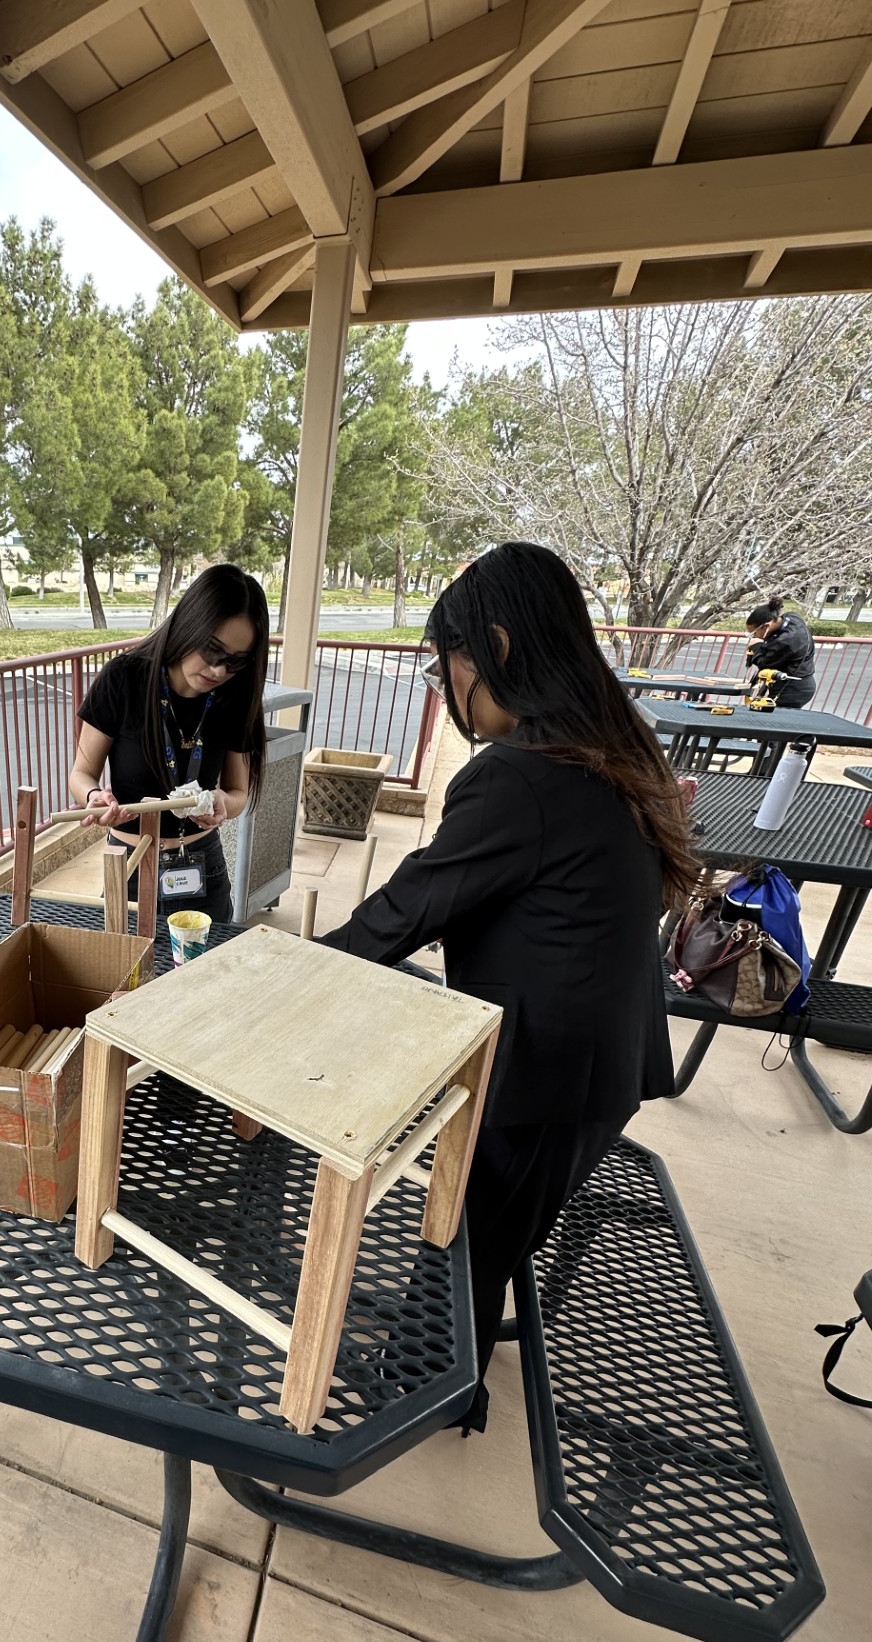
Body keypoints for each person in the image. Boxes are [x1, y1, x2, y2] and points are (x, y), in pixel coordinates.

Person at [319, 542, 698, 1432]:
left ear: (491, 646)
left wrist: (282, 976)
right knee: (488, 1230)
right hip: (599, 1065)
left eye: (444, 665)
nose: (445, 689)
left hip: (542, 1079)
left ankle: (426, 1393)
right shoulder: (605, 743)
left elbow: (405, 911)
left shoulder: (519, 775)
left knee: (465, 1241)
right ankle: (442, 1368)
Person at [69, 563, 269, 923]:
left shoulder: (236, 696)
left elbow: (238, 792)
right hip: (127, 867)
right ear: (189, 624)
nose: (220, 671)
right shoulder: (124, 678)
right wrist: (92, 798)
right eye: (213, 651)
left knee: (206, 976)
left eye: (236, 661)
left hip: (201, 868)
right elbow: (82, 773)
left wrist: (225, 802)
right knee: (126, 976)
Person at [745, 595, 816, 708]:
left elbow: (764, 662)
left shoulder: (786, 641)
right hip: (796, 682)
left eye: (753, 633)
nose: (752, 636)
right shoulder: (792, 617)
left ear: (766, 626)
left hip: (793, 689)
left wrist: (756, 646)